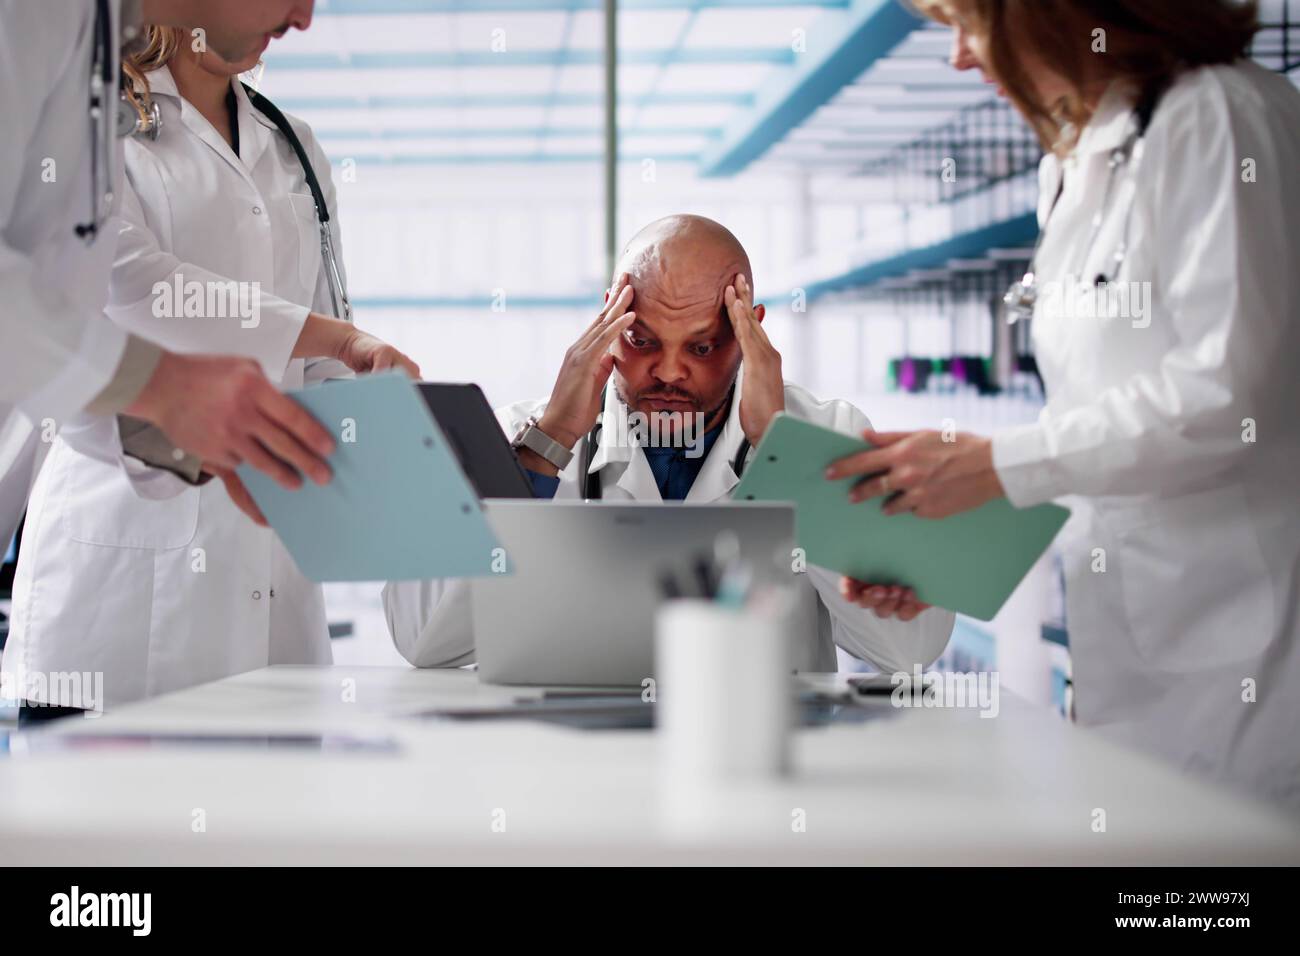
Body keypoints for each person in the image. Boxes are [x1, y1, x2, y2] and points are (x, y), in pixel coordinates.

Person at [830, 0, 1300, 809]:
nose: (960, 59)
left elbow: (1229, 394)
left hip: (1250, 655)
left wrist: (995, 465)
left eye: (964, 23)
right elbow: (1105, 429)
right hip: (1131, 651)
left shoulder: (1218, 115)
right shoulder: (1077, 162)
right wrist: (947, 547)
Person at [2, 21, 422, 718]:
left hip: (275, 595)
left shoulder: (296, 148)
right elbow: (129, 284)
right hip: (115, 595)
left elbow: (321, 361)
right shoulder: (95, 122)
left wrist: (372, 423)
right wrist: (336, 337)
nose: (304, 15)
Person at [384, 216, 955, 673]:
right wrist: (548, 446)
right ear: (607, 317)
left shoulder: (824, 437)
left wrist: (785, 453)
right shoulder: (519, 438)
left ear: (750, 333)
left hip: (758, 774)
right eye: (642, 341)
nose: (670, 371)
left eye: (702, 348)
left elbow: (911, 645)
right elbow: (421, 637)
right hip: (574, 776)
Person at [0, 0, 333, 561]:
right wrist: (160, 384)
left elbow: (55, 315)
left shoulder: (93, 64)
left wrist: (172, 431)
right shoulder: (34, 15)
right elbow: (124, 286)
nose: (304, 18)